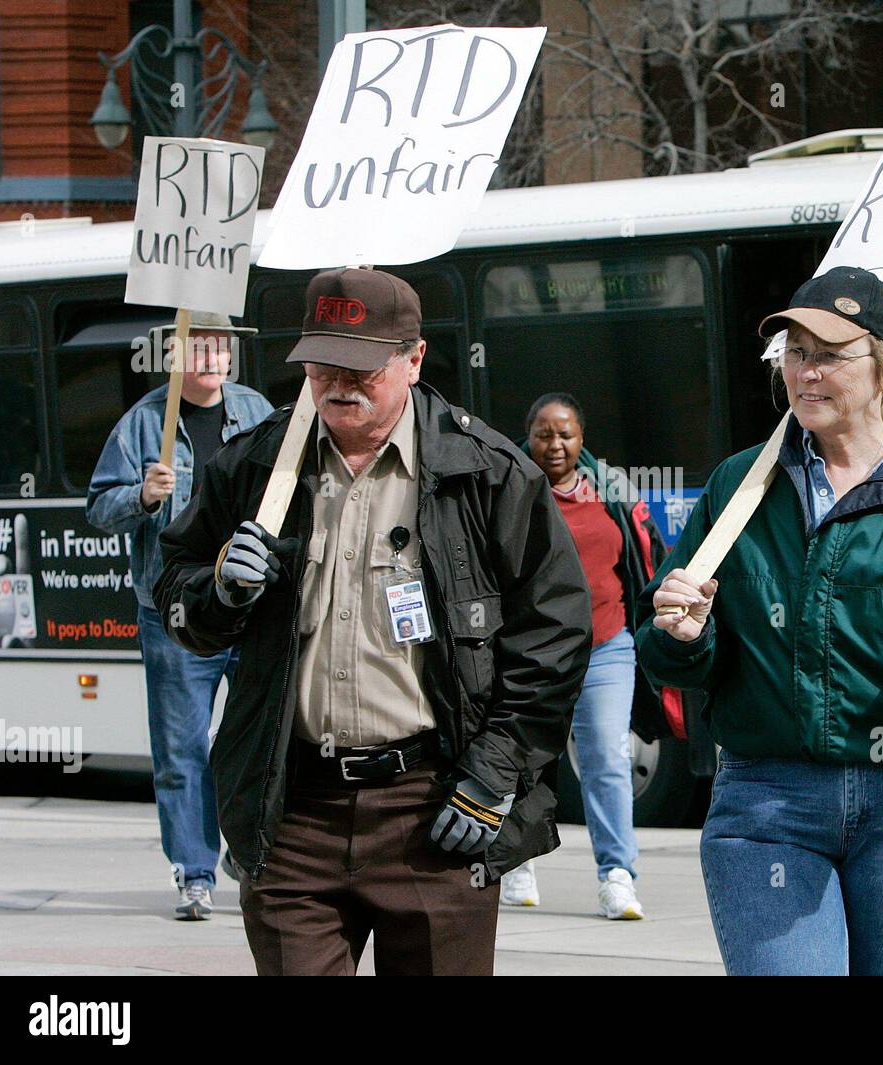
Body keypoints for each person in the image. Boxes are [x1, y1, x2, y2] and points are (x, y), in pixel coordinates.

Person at [155, 267, 592, 975]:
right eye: (321, 364)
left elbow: (557, 635)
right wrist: (217, 595)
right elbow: (172, 588)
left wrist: (492, 775)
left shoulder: (485, 473)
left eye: (360, 365)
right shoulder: (258, 465)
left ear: (413, 359)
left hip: (434, 808)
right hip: (293, 812)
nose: (337, 382)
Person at [635, 266, 883, 975]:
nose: (806, 373)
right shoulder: (740, 485)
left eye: (829, 354)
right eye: (796, 353)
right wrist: (682, 634)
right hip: (766, 807)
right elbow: (673, 649)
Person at [85, 311, 273, 919]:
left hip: (248, 603)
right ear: (176, 358)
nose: (214, 361)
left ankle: (253, 853)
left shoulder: (256, 411)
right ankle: (195, 873)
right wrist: (142, 495)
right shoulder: (144, 422)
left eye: (222, 351)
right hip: (174, 612)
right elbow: (98, 507)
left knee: (259, 737)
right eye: (202, 350)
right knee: (181, 747)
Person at [502, 392, 668, 919]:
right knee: (526, 758)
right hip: (534, 650)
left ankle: (617, 875)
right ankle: (517, 863)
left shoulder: (610, 491)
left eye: (566, 433)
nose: (555, 444)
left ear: (581, 438)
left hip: (607, 645)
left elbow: (643, 560)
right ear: (528, 434)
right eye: (545, 433)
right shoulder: (506, 489)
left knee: (607, 759)